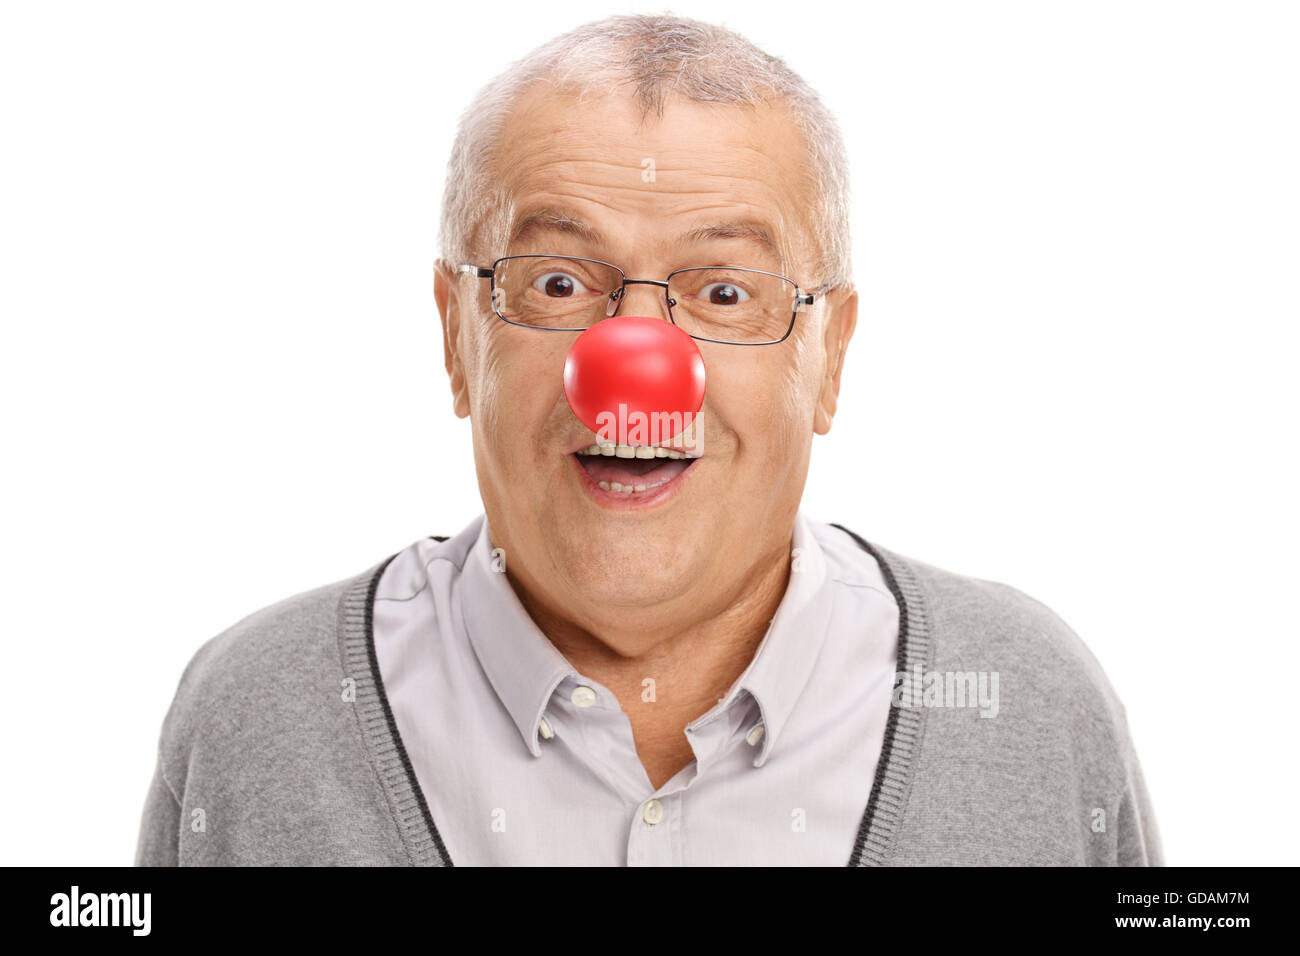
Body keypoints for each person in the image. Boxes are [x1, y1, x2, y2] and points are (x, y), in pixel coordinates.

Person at [134, 13, 1162, 867]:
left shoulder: (1026, 702)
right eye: (556, 283)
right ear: (456, 334)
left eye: (723, 291)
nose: (636, 364)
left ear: (830, 357)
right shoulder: (261, 710)